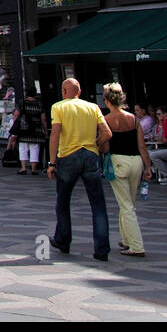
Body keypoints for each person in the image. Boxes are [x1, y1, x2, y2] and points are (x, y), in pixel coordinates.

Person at [47, 77, 112, 261]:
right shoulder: (93, 107)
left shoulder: (58, 107)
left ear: (64, 91)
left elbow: (55, 133)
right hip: (90, 155)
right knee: (98, 204)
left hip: (68, 156)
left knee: (63, 201)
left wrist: (52, 163)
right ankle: (101, 249)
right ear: (80, 91)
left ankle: (63, 240)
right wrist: (95, 146)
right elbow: (107, 133)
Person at [102, 83, 152, 258]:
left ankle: (136, 246)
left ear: (107, 101)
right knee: (129, 203)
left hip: (118, 162)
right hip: (136, 161)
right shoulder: (134, 119)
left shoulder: (106, 120)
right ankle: (126, 239)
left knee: (126, 206)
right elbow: (142, 146)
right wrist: (148, 166)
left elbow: (105, 145)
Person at [12, 92, 47, 174]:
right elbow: (43, 119)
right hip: (36, 129)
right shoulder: (39, 104)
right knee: (35, 148)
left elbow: (16, 114)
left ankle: (23, 168)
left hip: (23, 129)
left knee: (23, 148)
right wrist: (45, 130)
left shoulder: (22, 102)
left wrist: (15, 125)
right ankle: (33, 169)